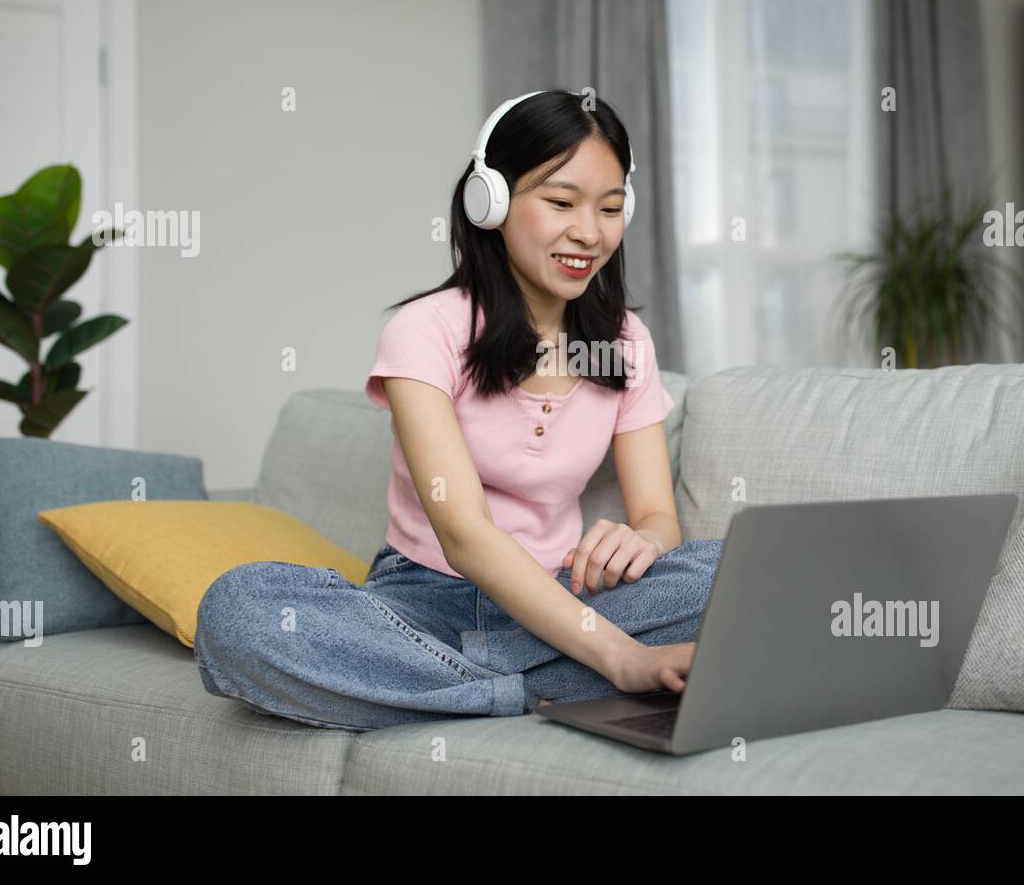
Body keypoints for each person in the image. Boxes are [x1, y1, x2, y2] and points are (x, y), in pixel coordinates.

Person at [194, 89, 724, 731]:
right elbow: (466, 538)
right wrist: (621, 659)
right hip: (425, 602)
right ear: (490, 202)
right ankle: (536, 687)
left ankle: (458, 682)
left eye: (610, 209)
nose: (589, 232)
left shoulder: (621, 345)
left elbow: (658, 516)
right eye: (561, 203)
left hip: (569, 592)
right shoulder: (427, 331)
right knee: (239, 612)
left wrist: (641, 540)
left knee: (729, 572)